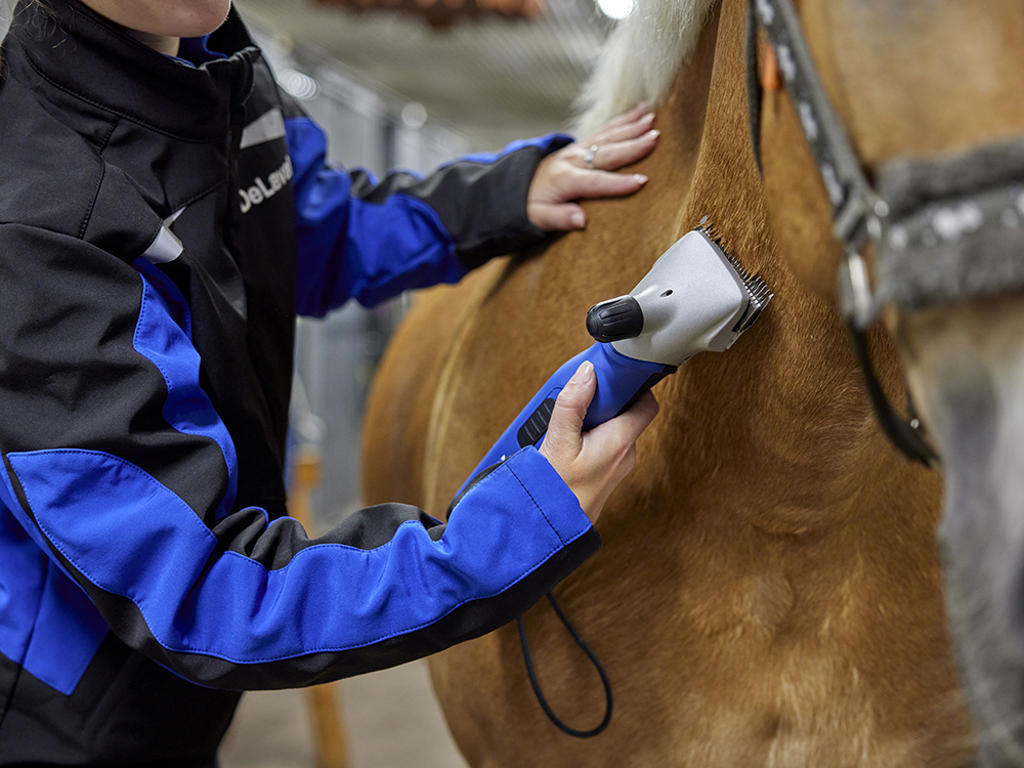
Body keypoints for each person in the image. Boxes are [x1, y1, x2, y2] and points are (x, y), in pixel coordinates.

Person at [0, 0, 660, 764]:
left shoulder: (216, 63)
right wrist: (509, 529)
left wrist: (501, 198)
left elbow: (316, 232)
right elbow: (207, 593)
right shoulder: (37, 230)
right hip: (66, 720)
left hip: (176, 690)